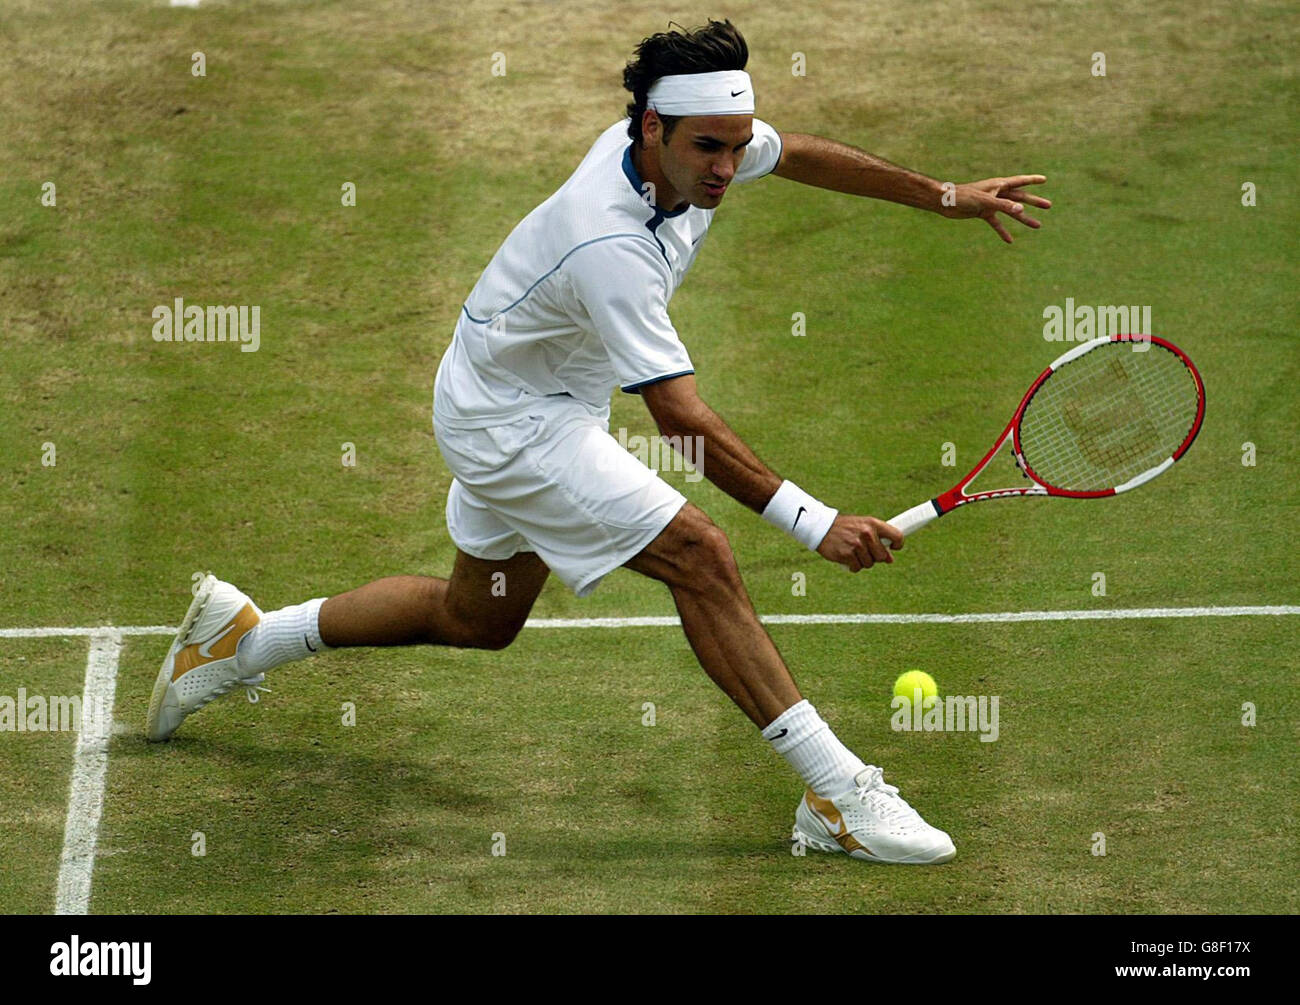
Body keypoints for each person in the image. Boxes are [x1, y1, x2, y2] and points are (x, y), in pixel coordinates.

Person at [146, 19, 1049, 865]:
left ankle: (242, 639)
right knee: (700, 554)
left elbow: (797, 150)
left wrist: (944, 196)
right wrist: (816, 525)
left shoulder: (694, 148)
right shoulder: (606, 242)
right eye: (709, 148)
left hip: (508, 385)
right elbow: (682, 422)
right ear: (654, 129)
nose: (730, 168)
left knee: (478, 617)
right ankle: (837, 797)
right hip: (511, 420)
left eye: (736, 145)